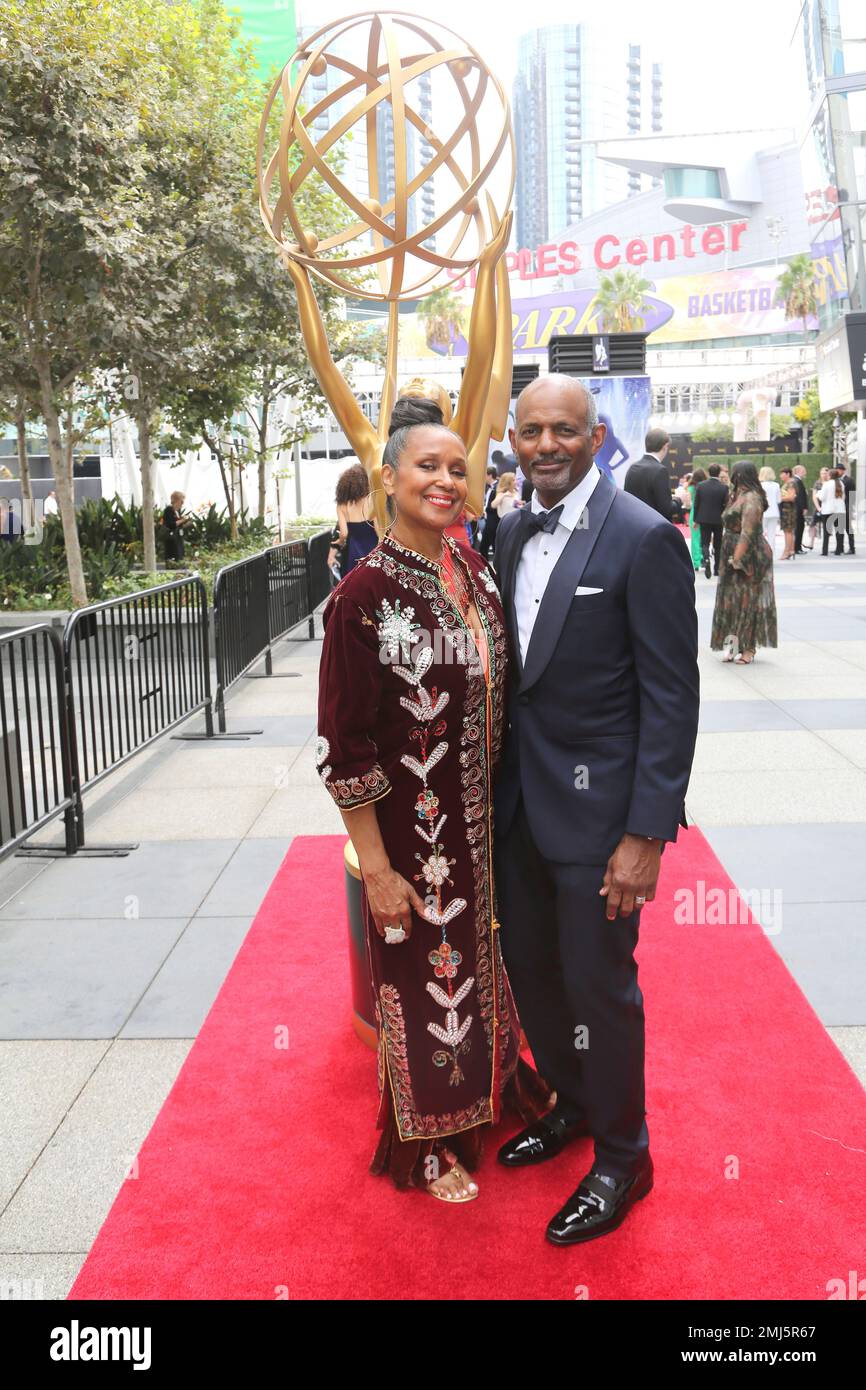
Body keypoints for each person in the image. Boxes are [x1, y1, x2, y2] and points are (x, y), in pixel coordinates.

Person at [315, 415, 551, 1202]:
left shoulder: (471, 569)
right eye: (428, 467)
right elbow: (343, 748)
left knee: (486, 973)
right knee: (427, 979)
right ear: (388, 478)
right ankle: (426, 1140)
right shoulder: (362, 599)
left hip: (488, 825)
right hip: (416, 840)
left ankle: (492, 1092)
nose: (447, 480)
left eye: (460, 468)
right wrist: (376, 869)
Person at [492, 375, 700, 1245]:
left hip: (601, 818)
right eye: (532, 431)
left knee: (601, 988)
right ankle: (572, 1106)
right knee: (536, 974)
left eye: (564, 431)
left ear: (597, 433)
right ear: (515, 433)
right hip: (517, 812)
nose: (546, 446)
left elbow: (672, 695)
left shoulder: (644, 538)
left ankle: (624, 1156)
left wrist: (646, 833)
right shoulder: (506, 531)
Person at [710, 461, 778, 664]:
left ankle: (749, 648)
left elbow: (748, 532)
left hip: (750, 555)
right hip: (733, 551)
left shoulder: (752, 498)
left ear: (740, 474)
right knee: (730, 601)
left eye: (733, 473)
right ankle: (733, 644)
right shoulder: (738, 495)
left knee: (748, 602)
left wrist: (737, 559)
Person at [330, 462, 377, 575]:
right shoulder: (372, 501)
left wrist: (339, 541)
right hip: (373, 549)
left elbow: (344, 533)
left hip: (353, 552)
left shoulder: (341, 506)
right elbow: (378, 529)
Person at [623, 427, 673, 518]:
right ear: (665, 446)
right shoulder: (660, 471)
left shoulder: (633, 468)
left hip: (634, 524)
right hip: (654, 527)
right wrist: (680, 500)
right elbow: (666, 509)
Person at [692, 462, 728, 578]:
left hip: (704, 519)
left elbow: (696, 504)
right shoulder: (724, 487)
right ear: (719, 473)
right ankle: (717, 569)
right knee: (718, 544)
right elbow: (725, 505)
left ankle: (706, 558)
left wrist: (695, 520)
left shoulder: (701, 486)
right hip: (718, 520)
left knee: (704, 543)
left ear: (708, 472)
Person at [819, 468, 847, 556]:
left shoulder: (826, 484)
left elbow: (822, 497)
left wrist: (818, 493)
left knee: (826, 532)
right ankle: (839, 550)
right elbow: (843, 497)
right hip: (840, 510)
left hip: (828, 510)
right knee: (839, 531)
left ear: (830, 475)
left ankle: (825, 551)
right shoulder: (841, 484)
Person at [758, 465, 781, 557]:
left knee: (761, 534)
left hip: (763, 512)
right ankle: (771, 555)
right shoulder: (776, 485)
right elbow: (779, 500)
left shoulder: (760, 485)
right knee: (772, 535)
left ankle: (762, 554)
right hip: (774, 512)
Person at [161, 491, 189, 563]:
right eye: (181, 501)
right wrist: (182, 520)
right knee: (173, 556)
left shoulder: (177, 511)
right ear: (176, 500)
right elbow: (171, 524)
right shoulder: (169, 510)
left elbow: (178, 525)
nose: (182, 504)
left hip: (178, 538)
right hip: (171, 539)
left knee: (179, 556)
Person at [478, 464, 499, 558]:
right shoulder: (489, 487)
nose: (483, 478)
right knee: (483, 547)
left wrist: (486, 510)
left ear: (490, 475)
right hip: (488, 520)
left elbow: (494, 506)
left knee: (494, 547)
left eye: (484, 475)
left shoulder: (498, 487)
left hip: (494, 521)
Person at [688, 468, 706, 572]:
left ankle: (696, 562)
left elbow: (688, 502)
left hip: (694, 514)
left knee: (694, 539)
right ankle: (704, 559)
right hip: (703, 513)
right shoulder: (705, 487)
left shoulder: (691, 488)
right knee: (703, 538)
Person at [778, 467, 798, 560]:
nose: (780, 476)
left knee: (788, 531)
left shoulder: (791, 483)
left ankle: (787, 551)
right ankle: (791, 550)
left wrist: (778, 498)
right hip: (786, 509)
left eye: (782, 474)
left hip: (788, 510)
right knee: (789, 531)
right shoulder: (788, 483)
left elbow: (791, 497)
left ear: (788, 474)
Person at [836, 460, 856, 554]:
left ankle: (852, 548)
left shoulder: (849, 480)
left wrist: (850, 508)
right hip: (839, 508)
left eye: (839, 470)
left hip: (846, 507)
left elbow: (852, 495)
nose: (837, 472)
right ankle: (840, 547)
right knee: (839, 528)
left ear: (843, 470)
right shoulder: (836, 480)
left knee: (848, 529)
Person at [792, 464, 810, 554]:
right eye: (803, 470)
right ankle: (797, 548)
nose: (805, 472)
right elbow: (800, 497)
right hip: (798, 510)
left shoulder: (797, 481)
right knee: (799, 529)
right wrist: (804, 508)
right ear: (798, 471)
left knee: (799, 528)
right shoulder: (797, 481)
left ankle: (797, 547)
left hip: (797, 509)